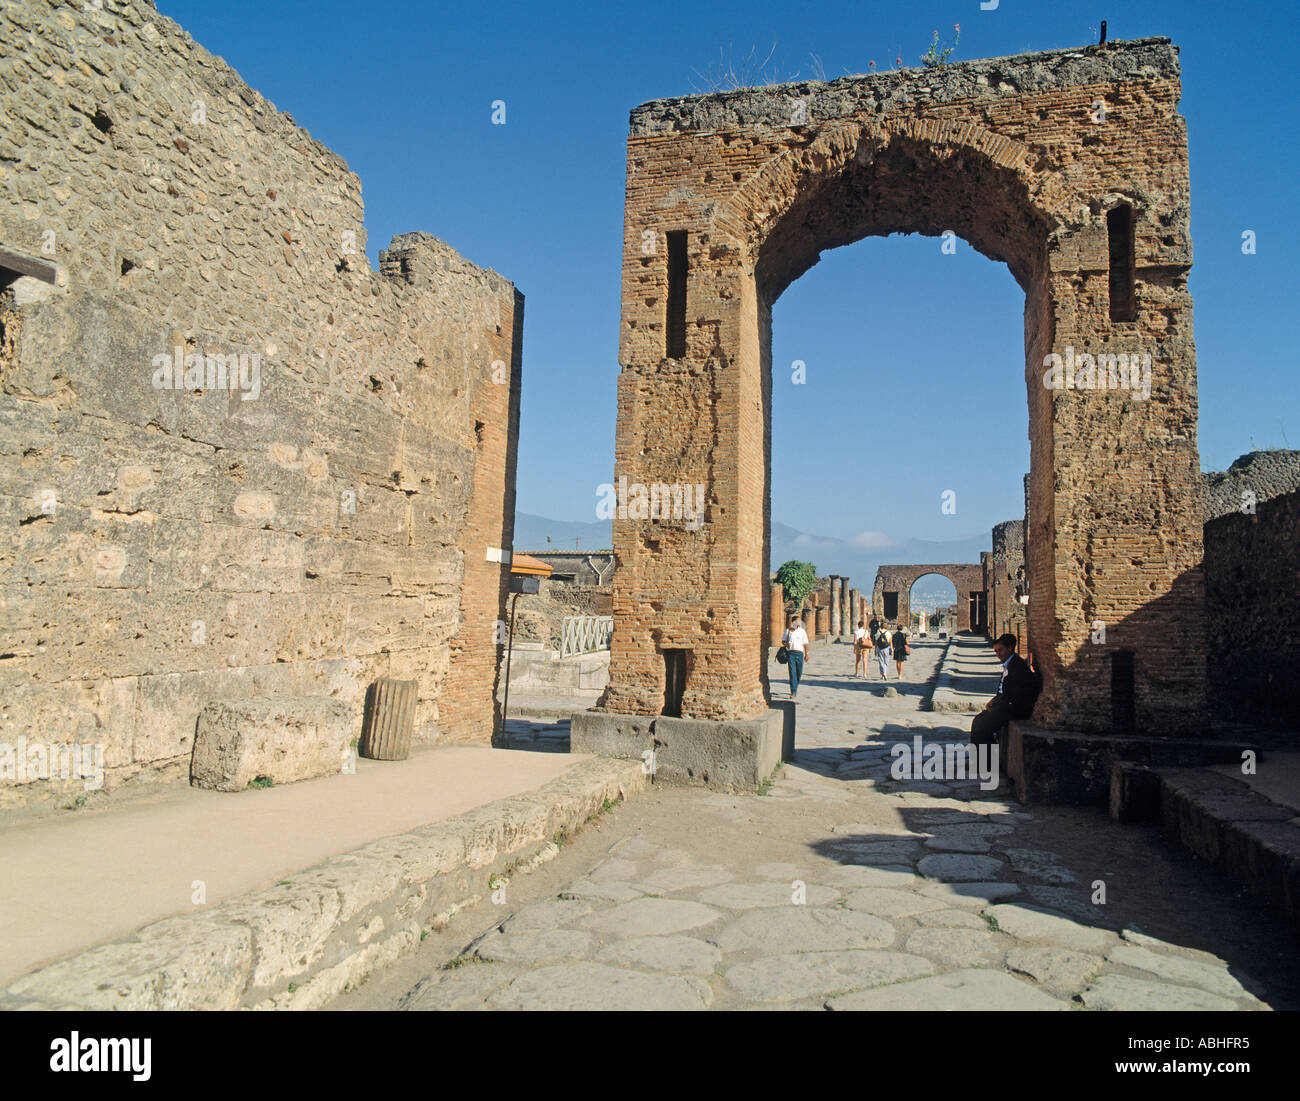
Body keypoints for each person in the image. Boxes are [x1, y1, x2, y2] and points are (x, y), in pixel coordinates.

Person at [970, 633, 1042, 747]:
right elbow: (1004, 690)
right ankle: (983, 761)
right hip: (1007, 705)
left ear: (1010, 648)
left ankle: (987, 763)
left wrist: (997, 704)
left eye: (1000, 650)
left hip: (1016, 709)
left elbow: (1014, 694)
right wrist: (994, 700)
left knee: (981, 727)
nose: (998, 654)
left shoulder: (1017, 667)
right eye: (996, 651)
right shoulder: (1010, 664)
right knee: (978, 721)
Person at [781, 613, 810, 697]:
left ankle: (795, 686)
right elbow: (783, 641)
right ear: (794, 622)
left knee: (799, 673)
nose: (799, 622)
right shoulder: (788, 631)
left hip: (800, 654)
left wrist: (806, 654)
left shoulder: (802, 631)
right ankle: (793, 691)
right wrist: (786, 644)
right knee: (792, 672)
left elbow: (805, 643)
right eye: (798, 621)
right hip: (791, 654)